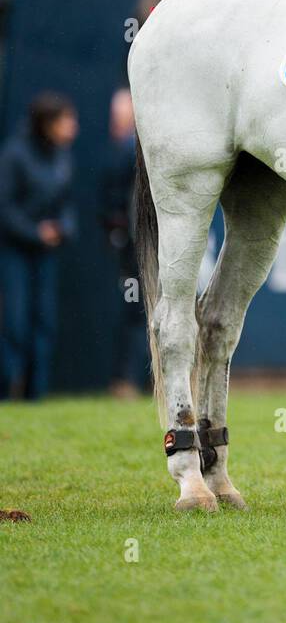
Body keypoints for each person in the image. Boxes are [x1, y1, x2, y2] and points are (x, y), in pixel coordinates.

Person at [0, 92, 78, 399]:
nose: (72, 127)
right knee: (15, 322)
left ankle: (37, 396)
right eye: (66, 120)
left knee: (43, 321)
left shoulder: (62, 156)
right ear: (47, 123)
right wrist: (35, 232)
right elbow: (4, 207)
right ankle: (6, 392)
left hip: (46, 254)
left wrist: (63, 228)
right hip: (14, 251)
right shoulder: (14, 155)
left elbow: (66, 203)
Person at [101, 87, 146, 398]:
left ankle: (136, 381)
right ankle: (127, 381)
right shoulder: (122, 151)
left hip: (146, 247)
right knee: (136, 311)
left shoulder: (134, 148)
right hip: (135, 249)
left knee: (143, 312)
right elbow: (112, 204)